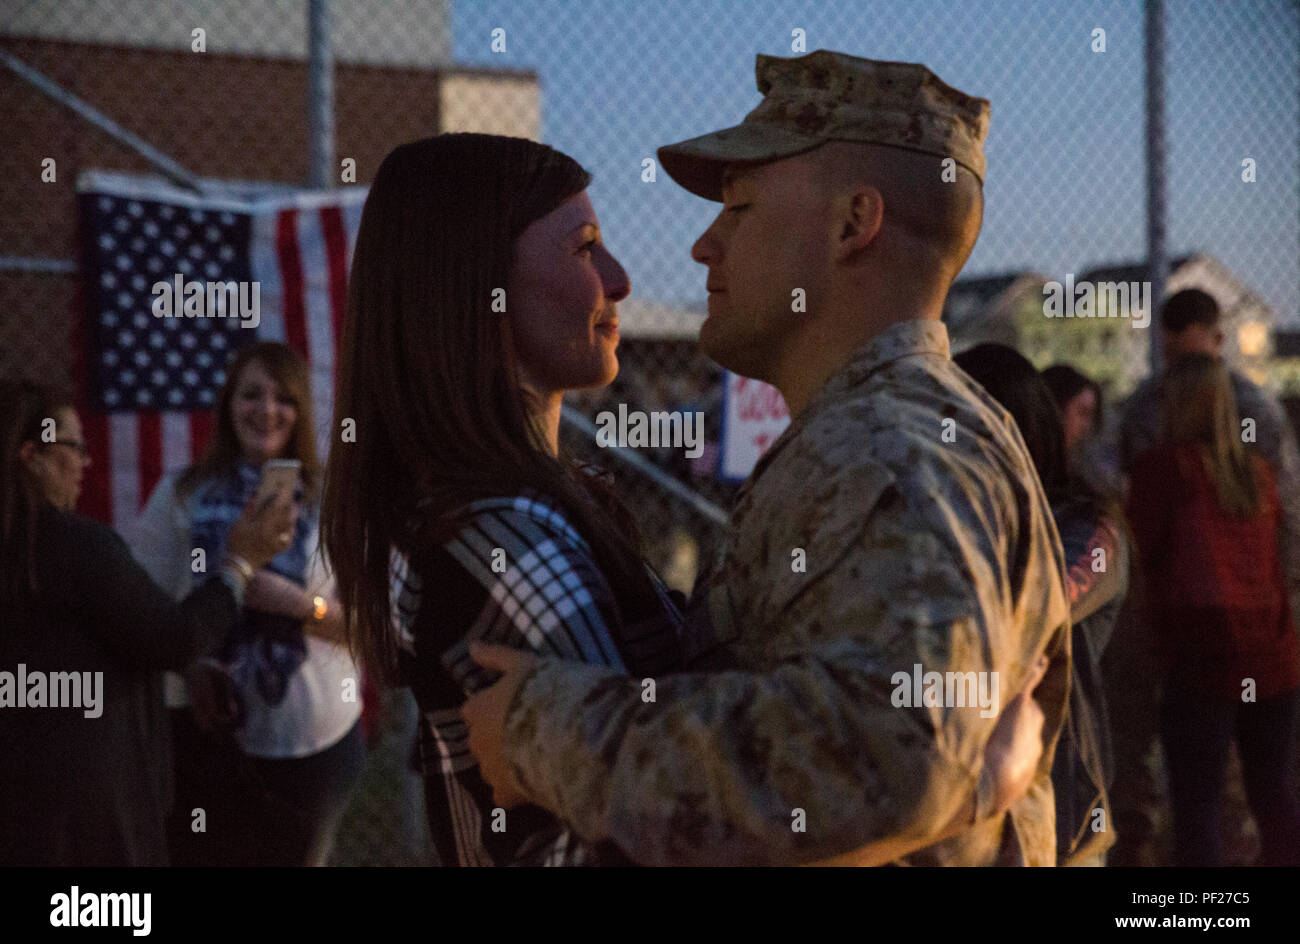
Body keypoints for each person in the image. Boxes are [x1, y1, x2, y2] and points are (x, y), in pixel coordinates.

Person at [320, 132, 1048, 867]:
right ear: (477, 283)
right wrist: (971, 788)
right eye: (584, 249)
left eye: (741, 210)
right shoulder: (510, 544)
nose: (623, 278)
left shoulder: (541, 514)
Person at [0, 379, 295, 865]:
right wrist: (241, 563)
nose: (87, 463)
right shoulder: (79, 547)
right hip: (87, 825)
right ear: (32, 455)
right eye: (77, 447)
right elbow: (176, 637)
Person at [127, 342, 364, 866]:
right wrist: (190, 666)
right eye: (250, 394)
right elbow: (144, 610)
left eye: (284, 398)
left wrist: (301, 606)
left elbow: (376, 629)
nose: (266, 409)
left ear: (302, 410)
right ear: (228, 404)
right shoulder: (183, 493)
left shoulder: (334, 502)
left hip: (312, 750)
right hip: (207, 744)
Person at [1109, 288, 1300, 864]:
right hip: (1272, 652)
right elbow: (1284, 540)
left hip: (1200, 658)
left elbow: (1141, 562)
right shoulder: (1259, 472)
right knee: (1273, 795)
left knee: (1196, 804)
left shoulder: (1160, 466)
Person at [955, 344, 1128, 865]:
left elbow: (1033, 606)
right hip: (962, 809)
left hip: (1058, 816)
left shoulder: (1083, 529)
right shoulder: (948, 518)